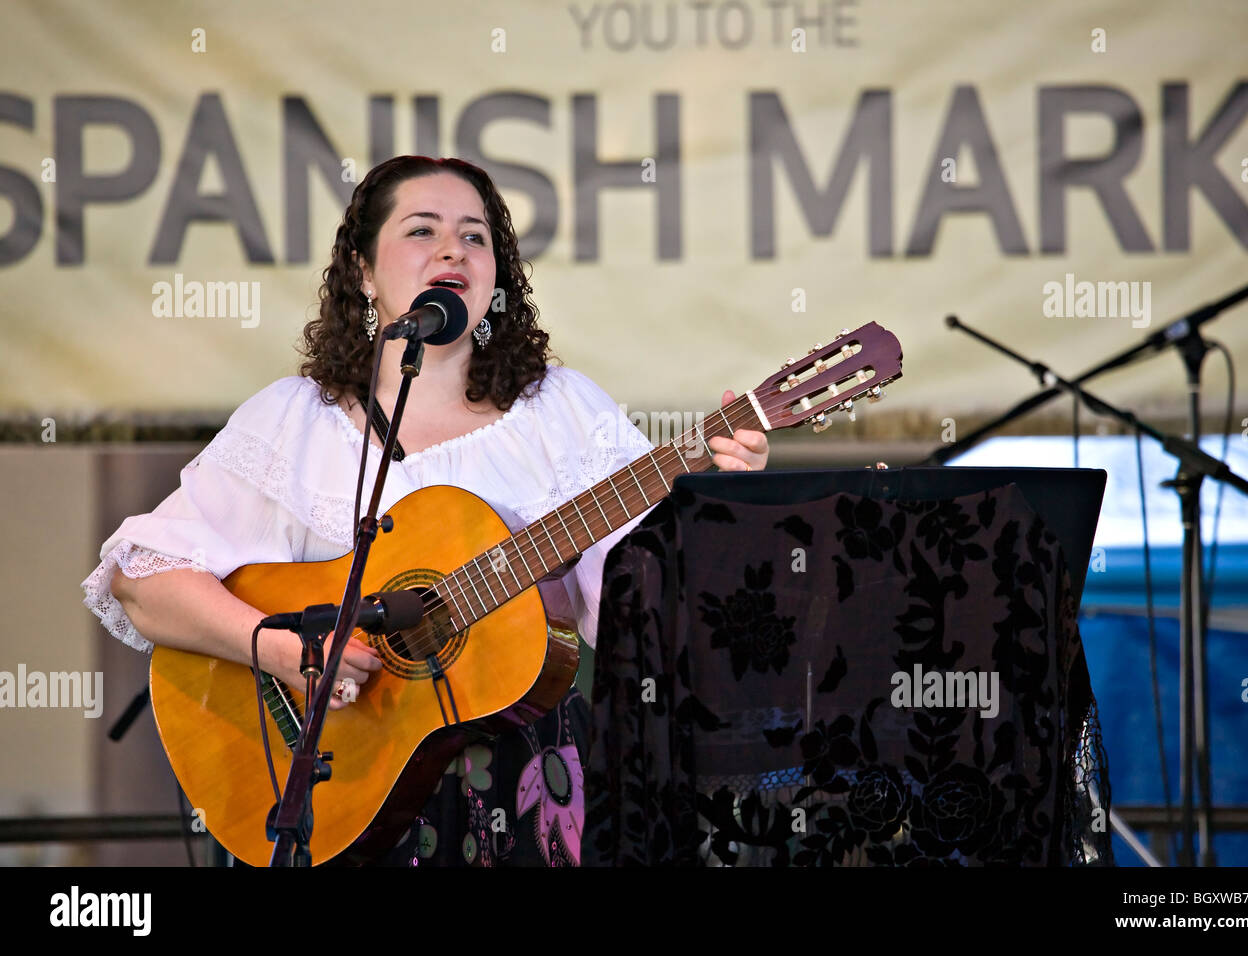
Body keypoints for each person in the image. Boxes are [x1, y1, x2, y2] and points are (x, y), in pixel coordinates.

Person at [80, 155, 769, 866]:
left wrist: (715, 498)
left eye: (475, 237)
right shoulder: (295, 422)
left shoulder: (559, 412)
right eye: (422, 231)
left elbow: (645, 605)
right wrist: (281, 648)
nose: (453, 250)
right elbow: (143, 579)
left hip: (530, 796)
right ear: (363, 272)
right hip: (343, 793)